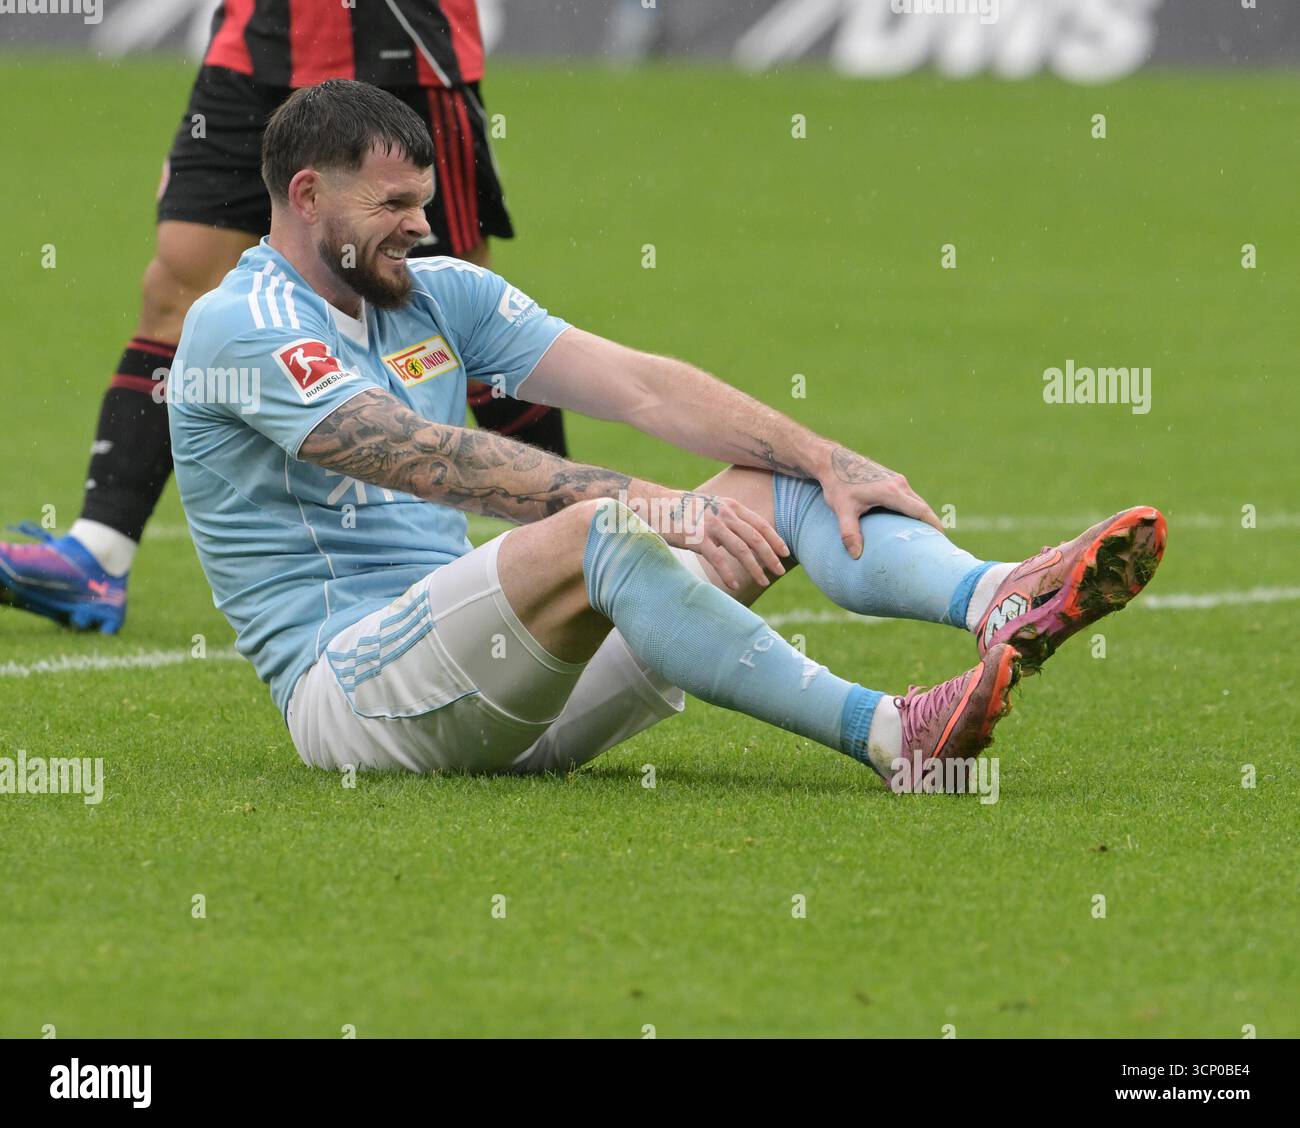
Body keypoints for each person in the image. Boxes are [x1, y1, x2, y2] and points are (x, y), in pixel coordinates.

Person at [169, 80, 1167, 785]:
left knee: (776, 480)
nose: (421, 228)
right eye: (393, 205)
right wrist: (650, 504)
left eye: (423, 204)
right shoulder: (243, 324)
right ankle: (890, 735)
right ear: (307, 198)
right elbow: (426, 460)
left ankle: (994, 595)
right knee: (604, 527)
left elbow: (640, 387)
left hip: (508, 684)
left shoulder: (435, 294)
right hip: (353, 700)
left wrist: (820, 456)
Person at [0, 1, 566, 635]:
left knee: (447, 309)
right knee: (175, 287)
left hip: (399, 43)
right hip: (256, 45)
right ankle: (99, 553)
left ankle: (571, 547)